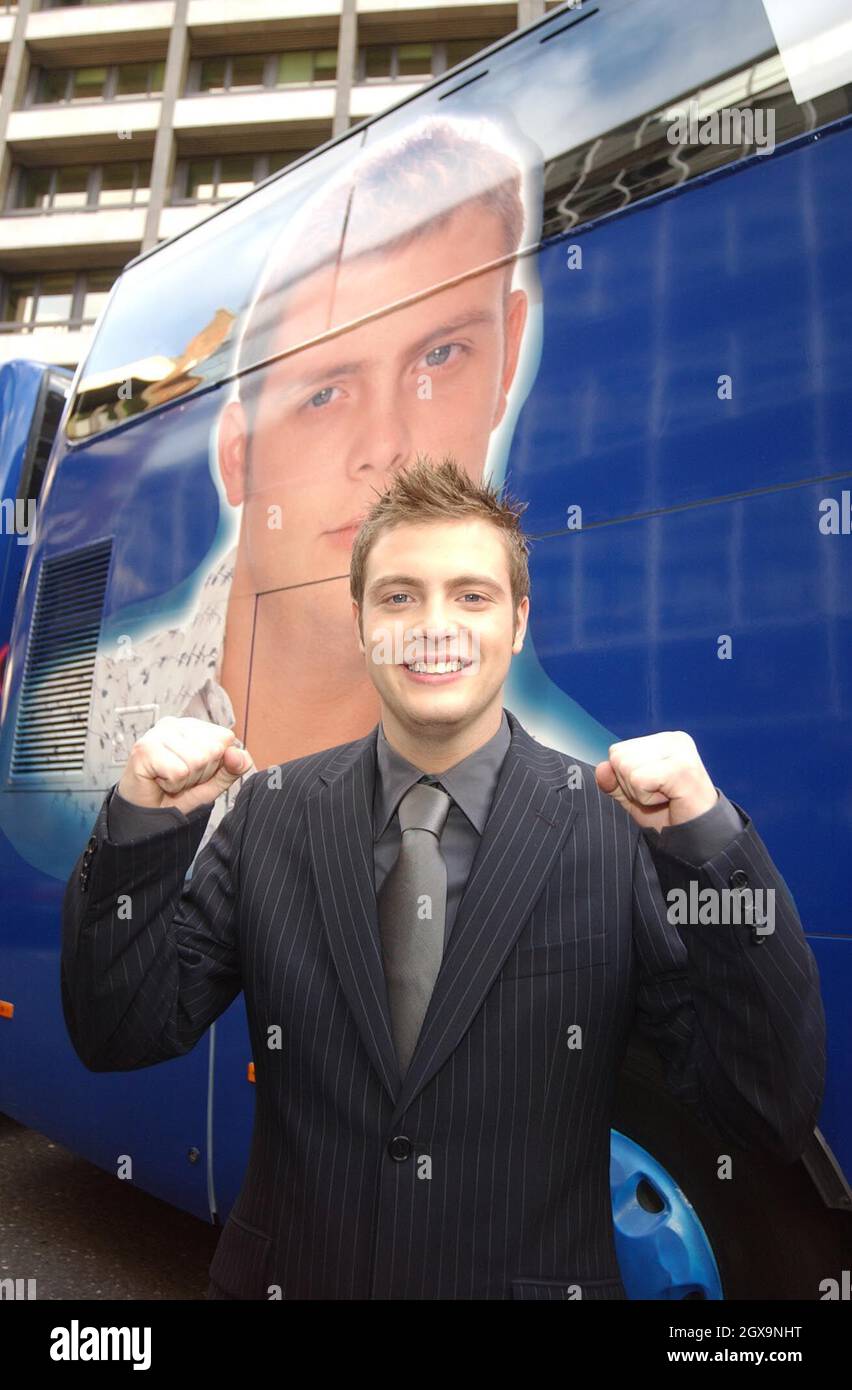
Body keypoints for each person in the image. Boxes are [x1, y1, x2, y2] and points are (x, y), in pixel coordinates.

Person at [61, 458, 826, 1301]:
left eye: (471, 595)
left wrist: (713, 840)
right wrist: (139, 825)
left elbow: (763, 1108)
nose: (435, 625)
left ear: (519, 621)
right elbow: (118, 1030)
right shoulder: (269, 815)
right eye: (398, 597)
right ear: (359, 625)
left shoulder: (617, 831)